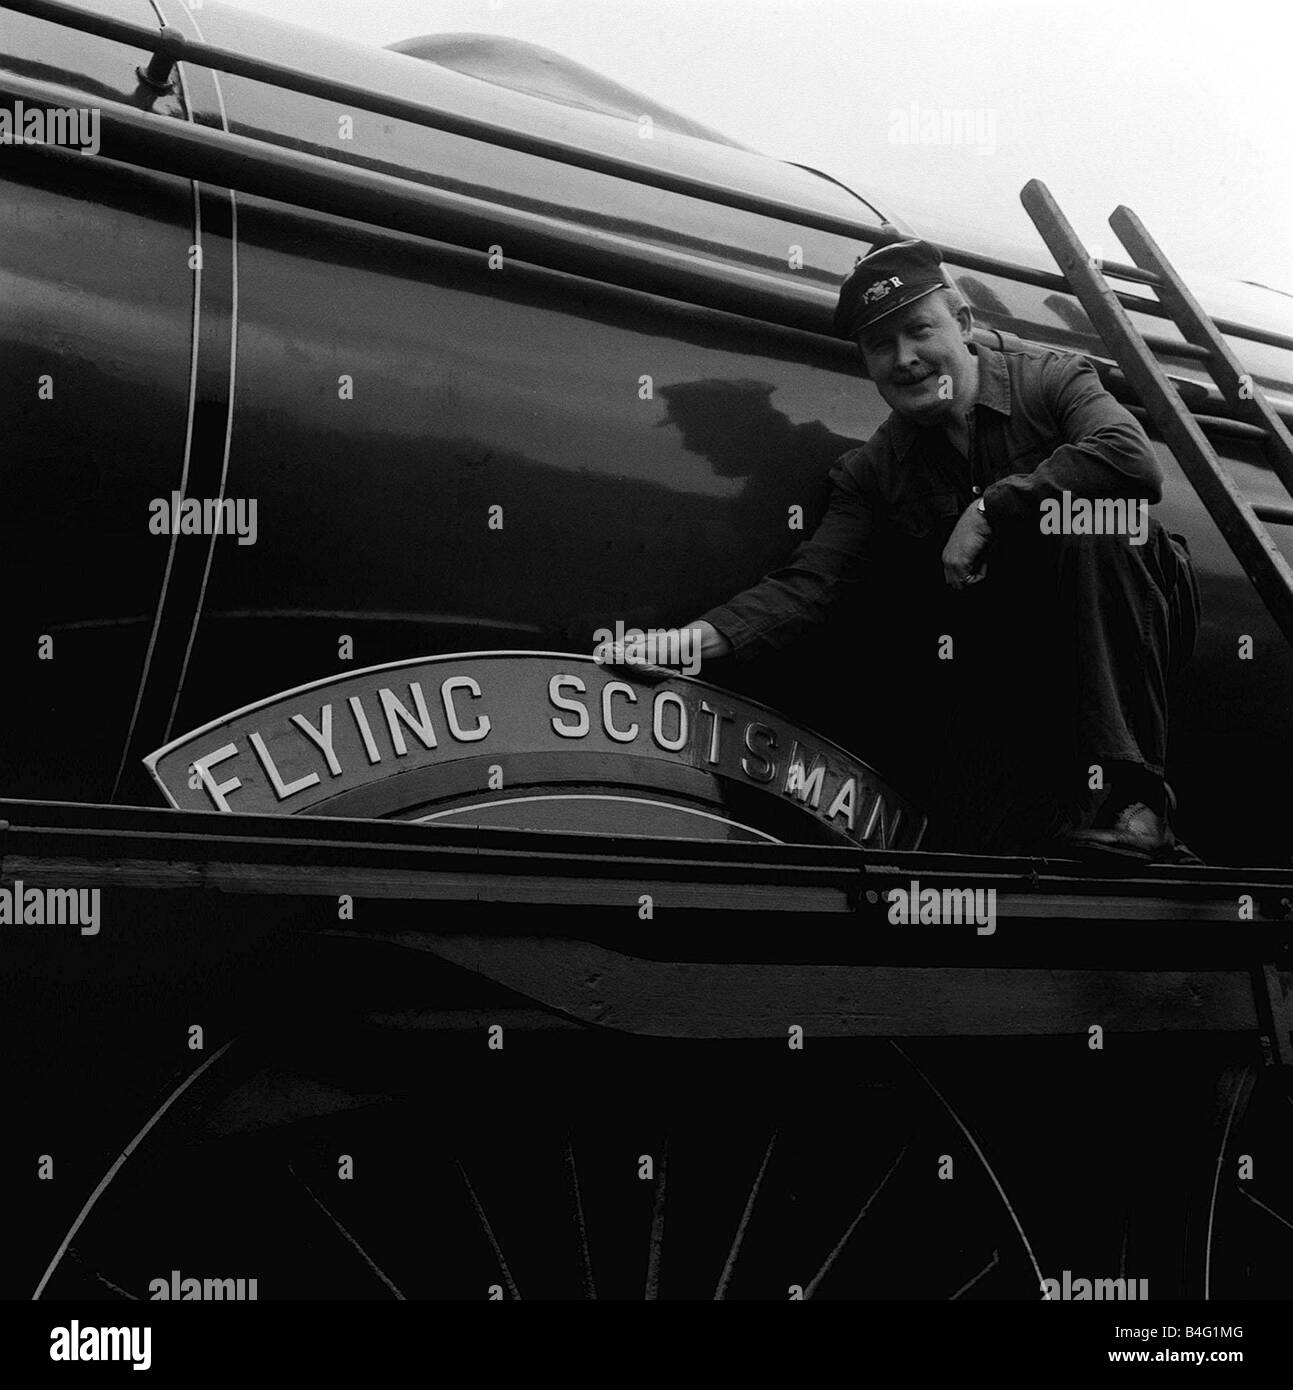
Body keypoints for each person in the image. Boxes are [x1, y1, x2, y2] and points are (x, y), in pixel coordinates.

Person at [660, 239, 1201, 858]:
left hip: (1144, 611)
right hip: (1024, 652)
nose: (905, 359)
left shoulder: (1051, 377)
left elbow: (1132, 463)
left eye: (919, 331)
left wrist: (990, 508)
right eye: (880, 345)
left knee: (1095, 516)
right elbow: (812, 583)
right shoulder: (874, 470)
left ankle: (1136, 799)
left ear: (964, 324)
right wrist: (690, 642)